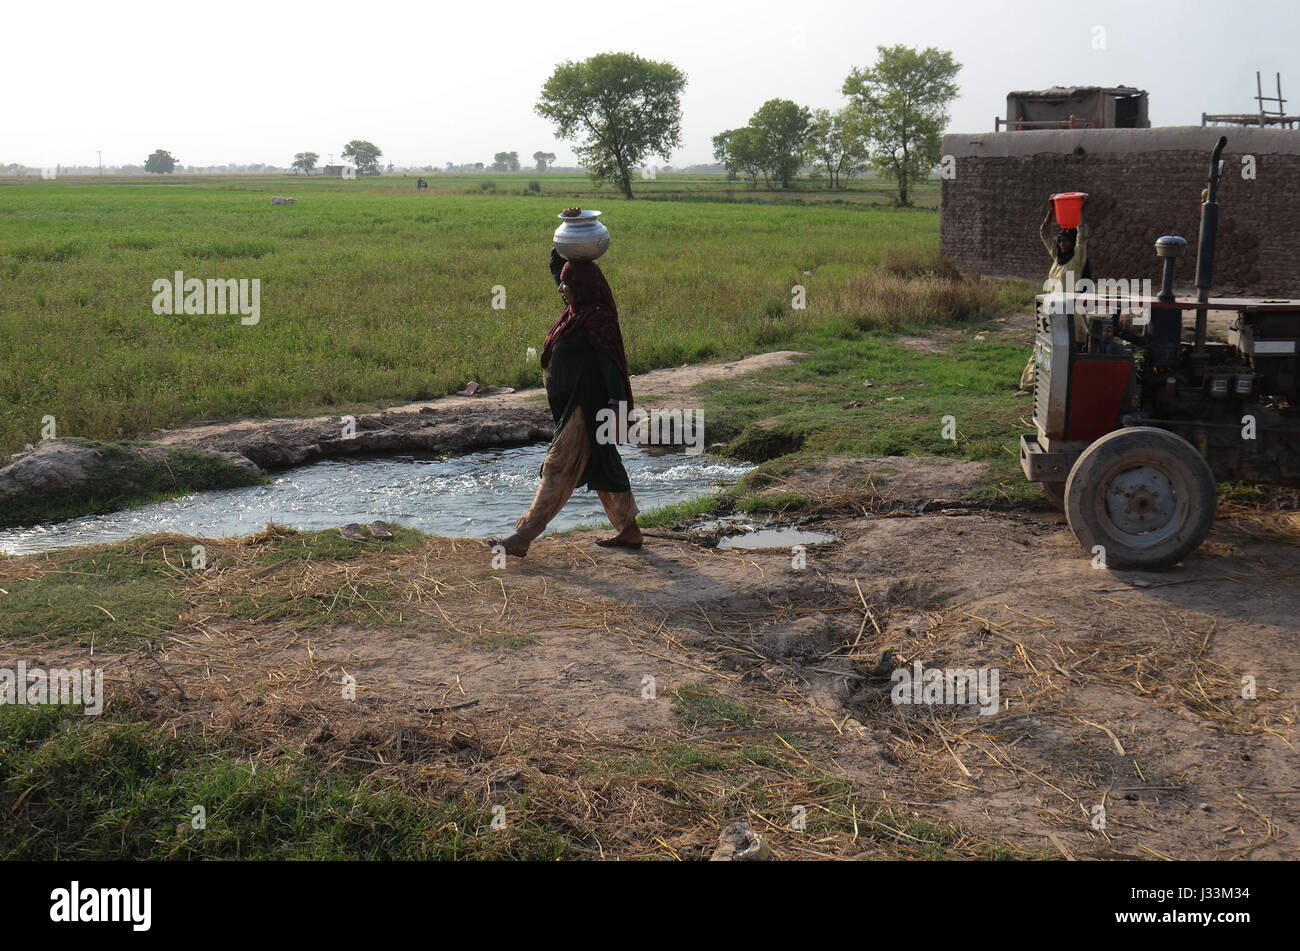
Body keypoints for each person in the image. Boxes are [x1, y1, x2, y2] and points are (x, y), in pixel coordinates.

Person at [488, 211, 642, 557]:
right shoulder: (578, 309)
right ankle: (629, 530)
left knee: (557, 466)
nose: (562, 288)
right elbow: (562, 268)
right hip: (572, 407)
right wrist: (568, 230)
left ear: (582, 288)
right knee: (604, 467)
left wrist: (617, 415)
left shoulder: (597, 321)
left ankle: (522, 538)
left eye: (567, 285)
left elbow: (614, 368)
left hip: (586, 410)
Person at [1020, 196, 1091, 390]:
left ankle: (1063, 387)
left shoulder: (1076, 262)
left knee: (1067, 351)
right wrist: (1052, 212)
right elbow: (1044, 233)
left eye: (1065, 241)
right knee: (1042, 346)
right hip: (1051, 311)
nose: (1061, 244)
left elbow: (1082, 238)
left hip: (1070, 316)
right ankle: (1030, 385)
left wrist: (1081, 213)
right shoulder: (1057, 259)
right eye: (1060, 241)